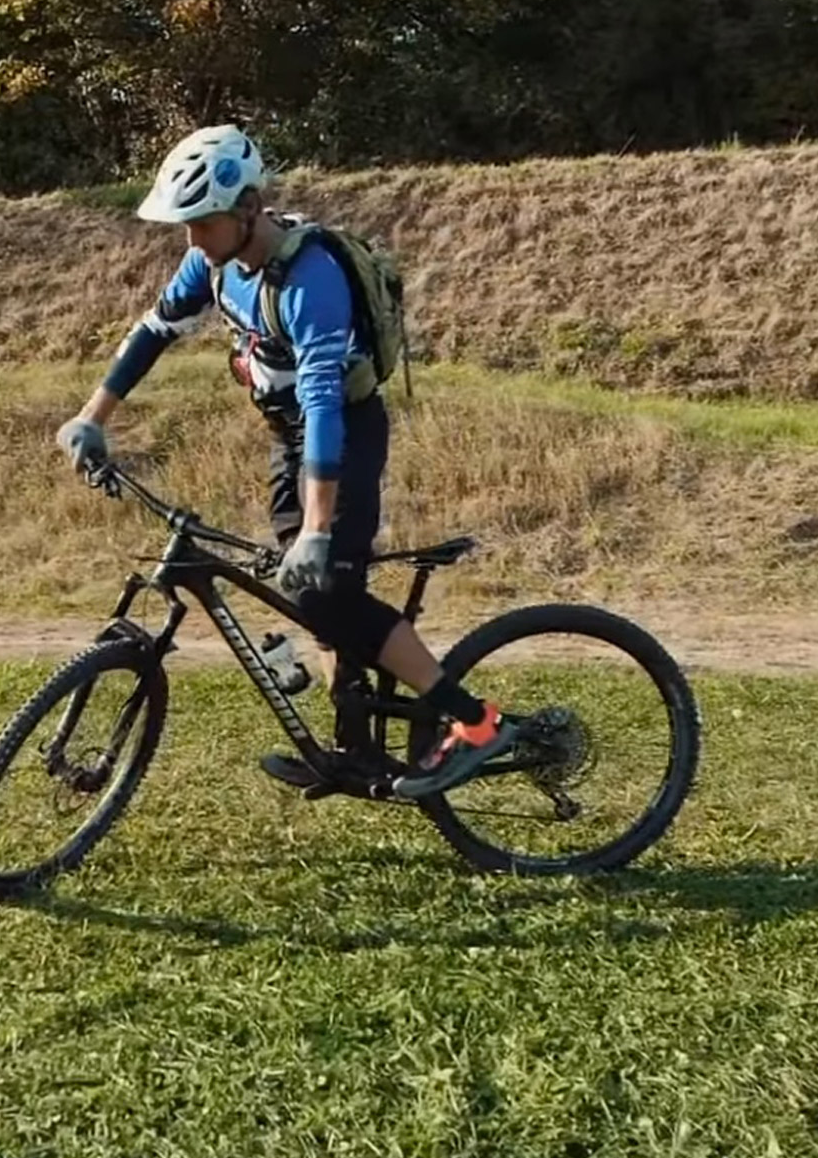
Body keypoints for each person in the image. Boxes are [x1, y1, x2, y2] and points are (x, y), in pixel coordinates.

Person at [53, 123, 517, 801]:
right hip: (288, 437)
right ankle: (352, 748)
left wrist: (320, 527)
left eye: (200, 223)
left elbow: (326, 403)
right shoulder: (213, 265)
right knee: (307, 595)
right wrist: (92, 417)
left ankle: (476, 722)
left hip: (344, 437)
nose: (190, 240)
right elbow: (154, 331)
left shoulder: (310, 281)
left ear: (246, 209)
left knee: (330, 591)